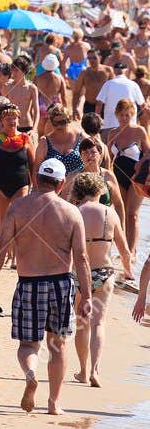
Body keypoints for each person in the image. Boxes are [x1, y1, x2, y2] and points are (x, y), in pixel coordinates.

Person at [0, 158, 91, 415]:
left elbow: (1, 245)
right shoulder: (72, 212)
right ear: (62, 184)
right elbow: (82, 257)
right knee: (59, 345)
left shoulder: (18, 207)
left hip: (28, 283)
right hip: (60, 284)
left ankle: (31, 373)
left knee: (28, 345)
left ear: (36, 179)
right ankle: (54, 403)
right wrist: (85, 294)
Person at [70, 173, 132, 388]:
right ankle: (96, 369)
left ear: (78, 190)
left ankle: (83, 370)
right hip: (104, 273)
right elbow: (124, 250)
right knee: (99, 323)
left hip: (79, 274)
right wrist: (128, 271)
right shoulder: (110, 213)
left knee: (81, 324)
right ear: (100, 191)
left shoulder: (74, 212)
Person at [0, 103, 35, 237]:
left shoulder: (25, 138)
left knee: (19, 218)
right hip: (0, 186)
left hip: (21, 185)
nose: (12, 121)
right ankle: (2, 252)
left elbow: (33, 166)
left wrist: (36, 188)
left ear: (18, 120)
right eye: (7, 118)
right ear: (1, 121)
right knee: (3, 220)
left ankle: (14, 255)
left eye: (14, 118)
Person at [106, 98, 147, 247]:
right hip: (118, 175)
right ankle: (124, 251)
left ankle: (133, 251)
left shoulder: (139, 131)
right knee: (121, 213)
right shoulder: (112, 133)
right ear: (116, 115)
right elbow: (108, 158)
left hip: (136, 177)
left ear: (132, 114)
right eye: (122, 115)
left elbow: (148, 153)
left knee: (132, 215)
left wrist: (141, 163)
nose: (124, 118)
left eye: (128, 115)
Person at [97, 60, 143, 135]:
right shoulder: (133, 84)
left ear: (114, 70)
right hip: (129, 126)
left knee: (108, 146)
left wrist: (98, 118)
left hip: (110, 126)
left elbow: (99, 103)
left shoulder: (108, 84)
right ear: (126, 70)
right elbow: (142, 104)